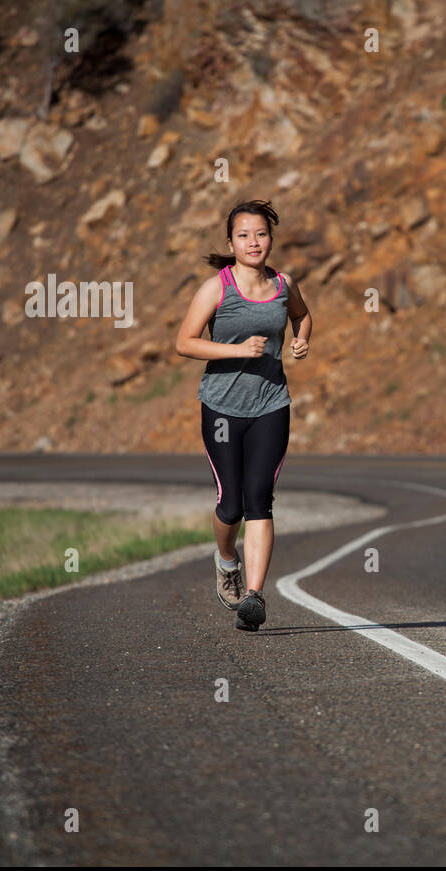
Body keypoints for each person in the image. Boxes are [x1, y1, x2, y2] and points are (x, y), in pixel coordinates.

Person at [174, 199, 313, 631]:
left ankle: (254, 596)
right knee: (230, 504)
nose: (254, 242)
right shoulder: (217, 288)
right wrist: (237, 350)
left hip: (272, 405)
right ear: (231, 243)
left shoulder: (284, 284)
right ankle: (226, 559)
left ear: (270, 238)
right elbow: (184, 342)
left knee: (260, 498)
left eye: (261, 234)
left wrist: (301, 340)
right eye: (244, 235)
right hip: (221, 407)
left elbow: (302, 317)